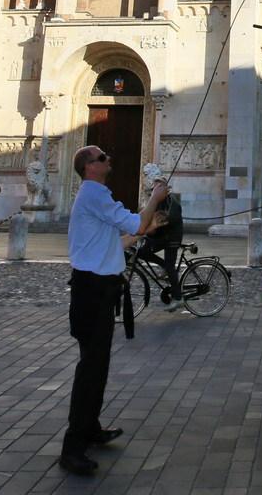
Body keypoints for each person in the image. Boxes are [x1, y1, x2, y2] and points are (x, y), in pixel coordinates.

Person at [59, 145, 168, 476]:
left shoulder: (96, 196)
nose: (109, 159)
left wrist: (144, 230)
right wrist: (155, 198)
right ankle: (72, 448)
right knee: (91, 370)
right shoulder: (94, 193)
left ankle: (90, 428)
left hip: (96, 292)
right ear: (90, 167)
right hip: (92, 292)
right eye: (102, 157)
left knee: (98, 365)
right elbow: (134, 224)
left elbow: (118, 241)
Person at [138, 187, 185, 311]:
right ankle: (164, 266)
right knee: (142, 251)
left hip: (172, 238)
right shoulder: (157, 202)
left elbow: (166, 220)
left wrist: (152, 225)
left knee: (170, 266)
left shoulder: (172, 203)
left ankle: (178, 298)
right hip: (162, 236)